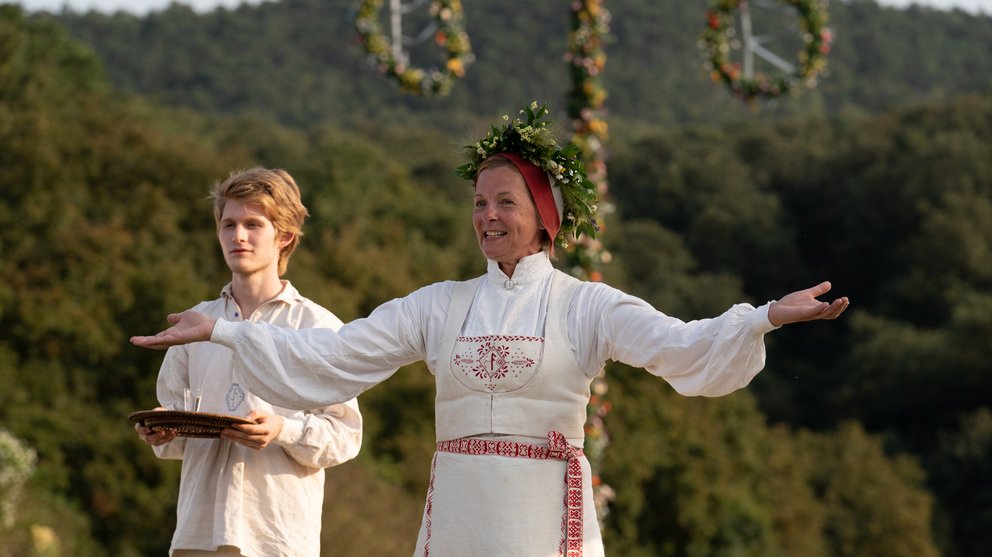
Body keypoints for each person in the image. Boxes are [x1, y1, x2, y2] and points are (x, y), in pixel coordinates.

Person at [132, 104, 848, 557]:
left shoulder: (585, 305)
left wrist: (762, 316)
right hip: (460, 514)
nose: (487, 215)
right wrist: (222, 333)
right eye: (479, 202)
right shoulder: (439, 305)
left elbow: (677, 345)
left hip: (546, 515)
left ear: (543, 217)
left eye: (505, 202)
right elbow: (335, 355)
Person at [134, 167, 363, 557]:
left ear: (285, 236)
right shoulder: (194, 322)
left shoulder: (317, 326)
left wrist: (283, 430)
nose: (238, 236)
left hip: (276, 538)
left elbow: (345, 436)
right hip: (198, 535)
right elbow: (175, 432)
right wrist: (163, 430)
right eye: (229, 225)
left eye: (253, 224)